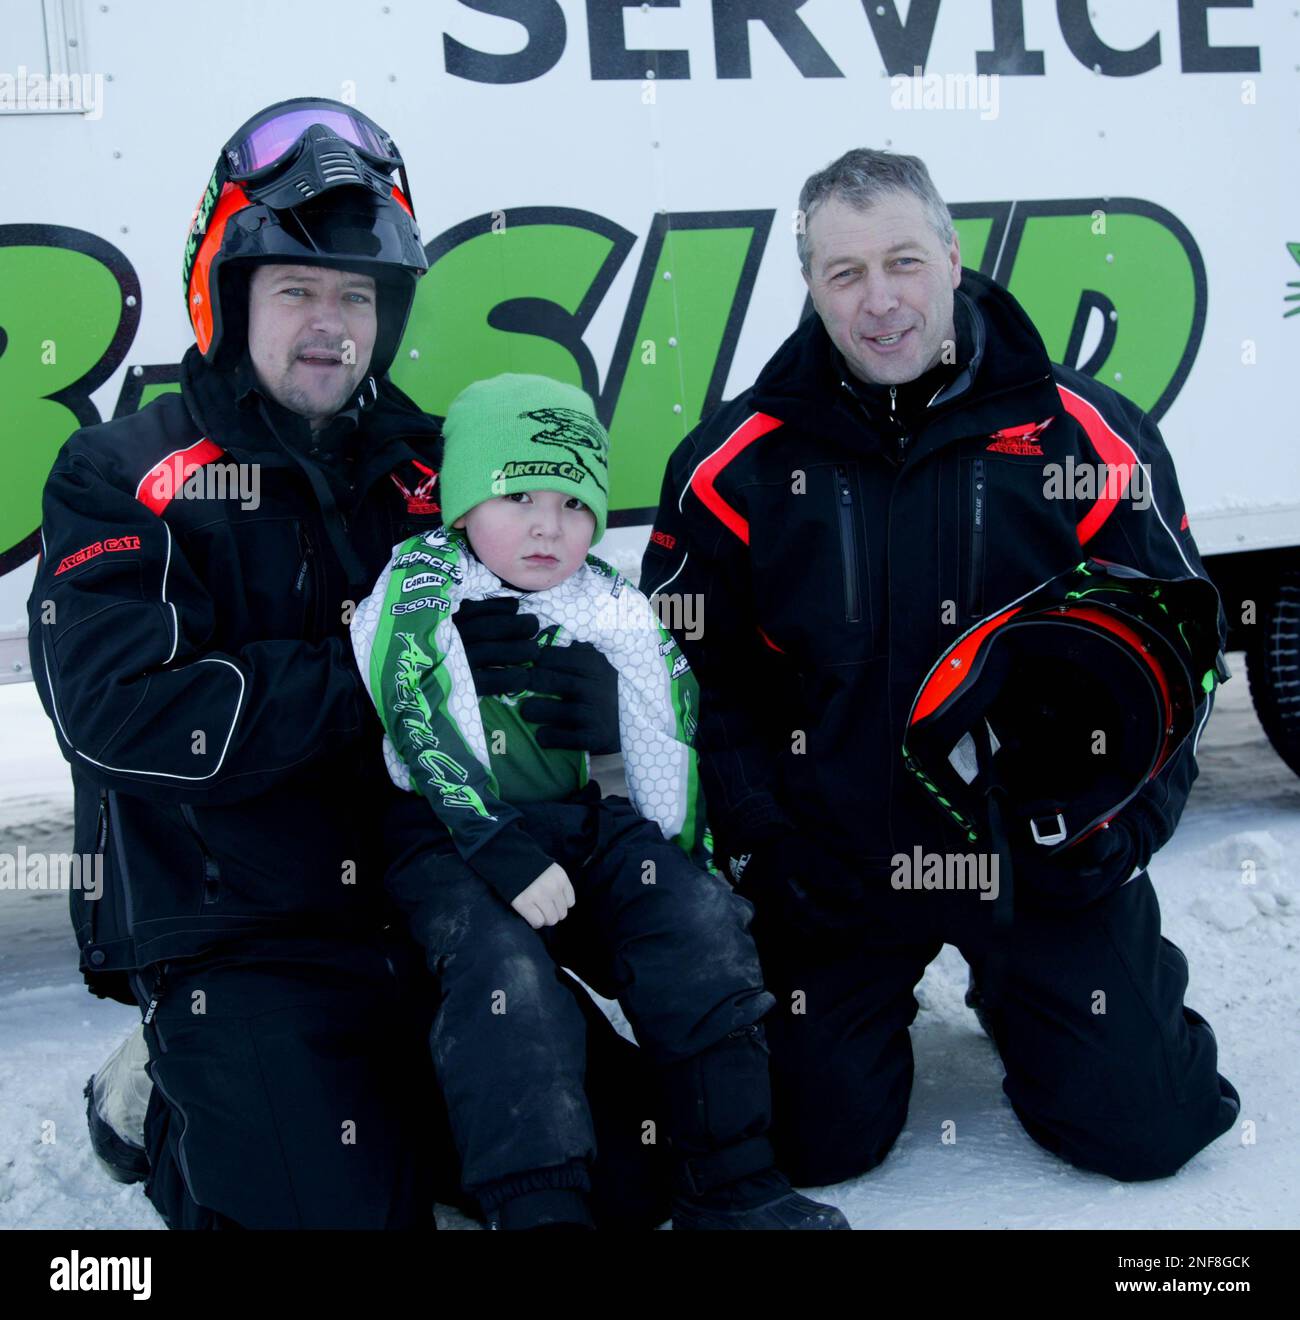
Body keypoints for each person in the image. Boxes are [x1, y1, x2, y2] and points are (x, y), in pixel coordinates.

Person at [29, 99, 657, 1229]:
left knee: (627, 1174)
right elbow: (124, 713)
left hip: (429, 910)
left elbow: (543, 616)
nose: (331, 324)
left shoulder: (433, 468)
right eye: (296, 290)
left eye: (356, 296)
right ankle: (162, 1094)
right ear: (228, 296)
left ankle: (346, 1094)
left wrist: (581, 692)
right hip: (241, 930)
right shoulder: (122, 469)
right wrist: (382, 674)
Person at [640, 147, 1240, 1188]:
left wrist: (1116, 833)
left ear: (953, 259)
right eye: (845, 273)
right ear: (811, 285)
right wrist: (772, 852)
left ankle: (1036, 992)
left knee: (1149, 1129)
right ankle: (877, 999)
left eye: (903, 262)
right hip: (840, 870)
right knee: (806, 1141)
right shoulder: (735, 461)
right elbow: (697, 681)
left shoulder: (1081, 434)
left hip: (1037, 862)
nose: (880, 301)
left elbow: (1177, 653)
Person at [352, 372, 849, 1230]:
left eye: (576, 504)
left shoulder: (604, 598)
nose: (551, 526)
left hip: (573, 820)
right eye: (519, 496)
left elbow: (666, 718)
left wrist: (679, 859)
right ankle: (541, 1211)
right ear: (463, 503)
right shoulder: (420, 580)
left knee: (697, 925)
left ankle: (731, 1185)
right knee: (507, 979)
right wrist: (499, 848)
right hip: (449, 833)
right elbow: (412, 705)